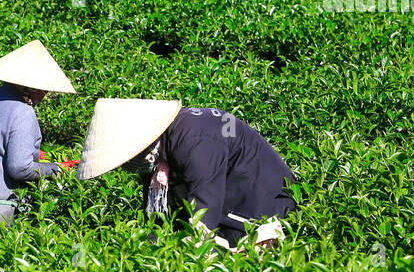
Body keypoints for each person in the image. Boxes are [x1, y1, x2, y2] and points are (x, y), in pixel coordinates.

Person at [77, 99, 299, 251]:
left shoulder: (197, 140)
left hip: (261, 204)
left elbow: (204, 210)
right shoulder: (157, 150)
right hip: (230, 197)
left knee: (234, 256)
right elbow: (156, 211)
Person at [0, 39, 79, 230]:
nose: (44, 97)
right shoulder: (23, 112)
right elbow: (19, 168)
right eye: (44, 90)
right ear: (31, 87)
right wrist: (56, 169)